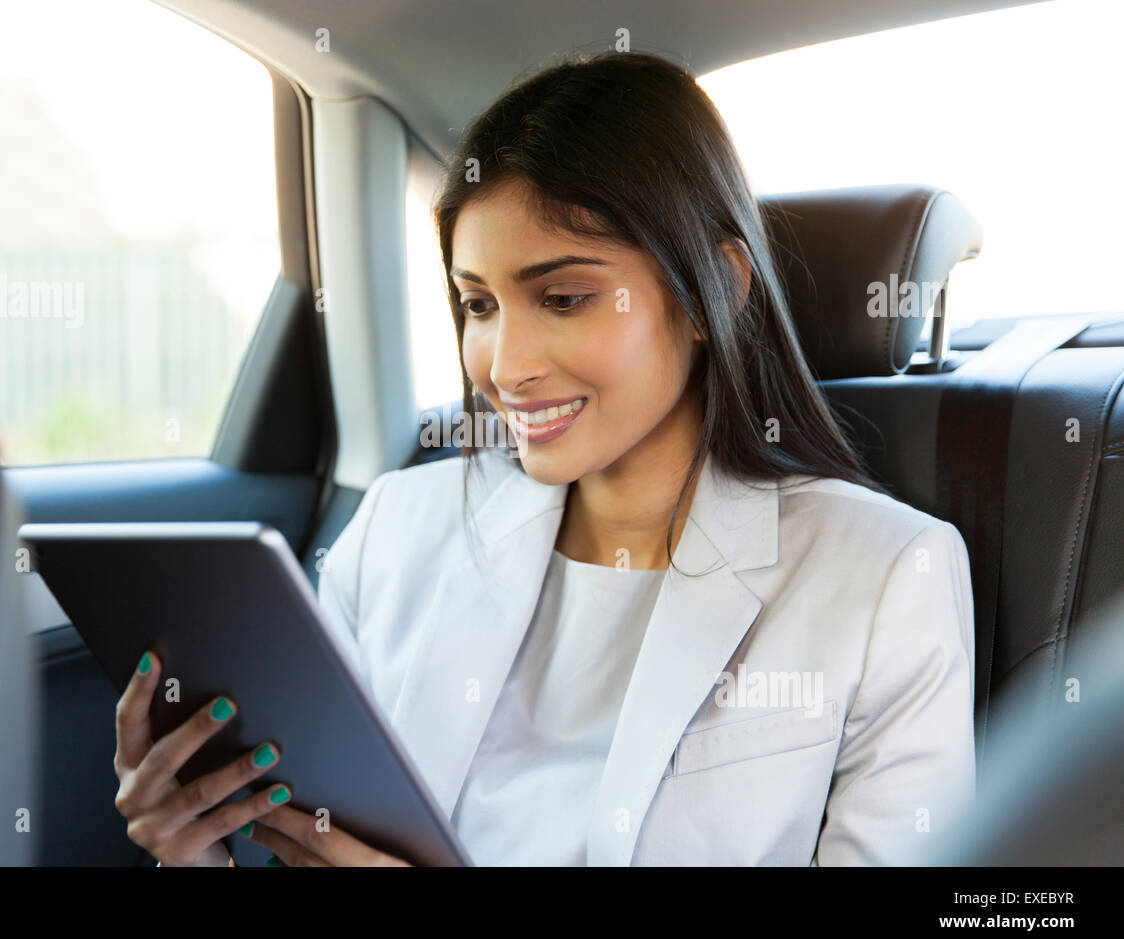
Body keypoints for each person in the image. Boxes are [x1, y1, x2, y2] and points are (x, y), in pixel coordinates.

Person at [111, 49, 976, 866]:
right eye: (478, 305)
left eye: (563, 298)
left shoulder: (885, 576)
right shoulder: (396, 532)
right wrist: (201, 850)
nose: (505, 365)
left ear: (717, 290)